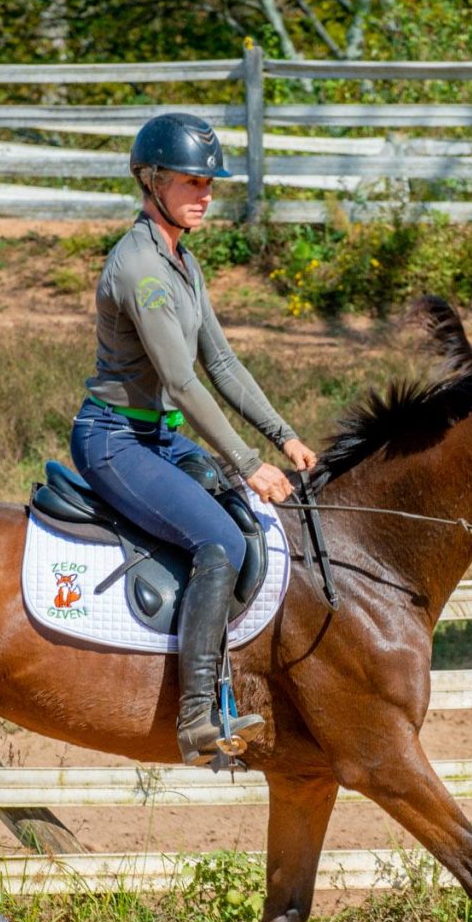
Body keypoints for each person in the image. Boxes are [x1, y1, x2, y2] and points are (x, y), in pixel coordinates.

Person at [73, 111, 318, 765]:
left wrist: (283, 435)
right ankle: (196, 717)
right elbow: (180, 382)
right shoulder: (141, 270)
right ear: (151, 181)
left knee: (245, 525)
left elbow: (225, 364)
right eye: (191, 182)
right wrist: (246, 460)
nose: (205, 194)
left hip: (165, 439)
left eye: (211, 183)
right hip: (117, 441)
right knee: (216, 541)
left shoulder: (183, 261)